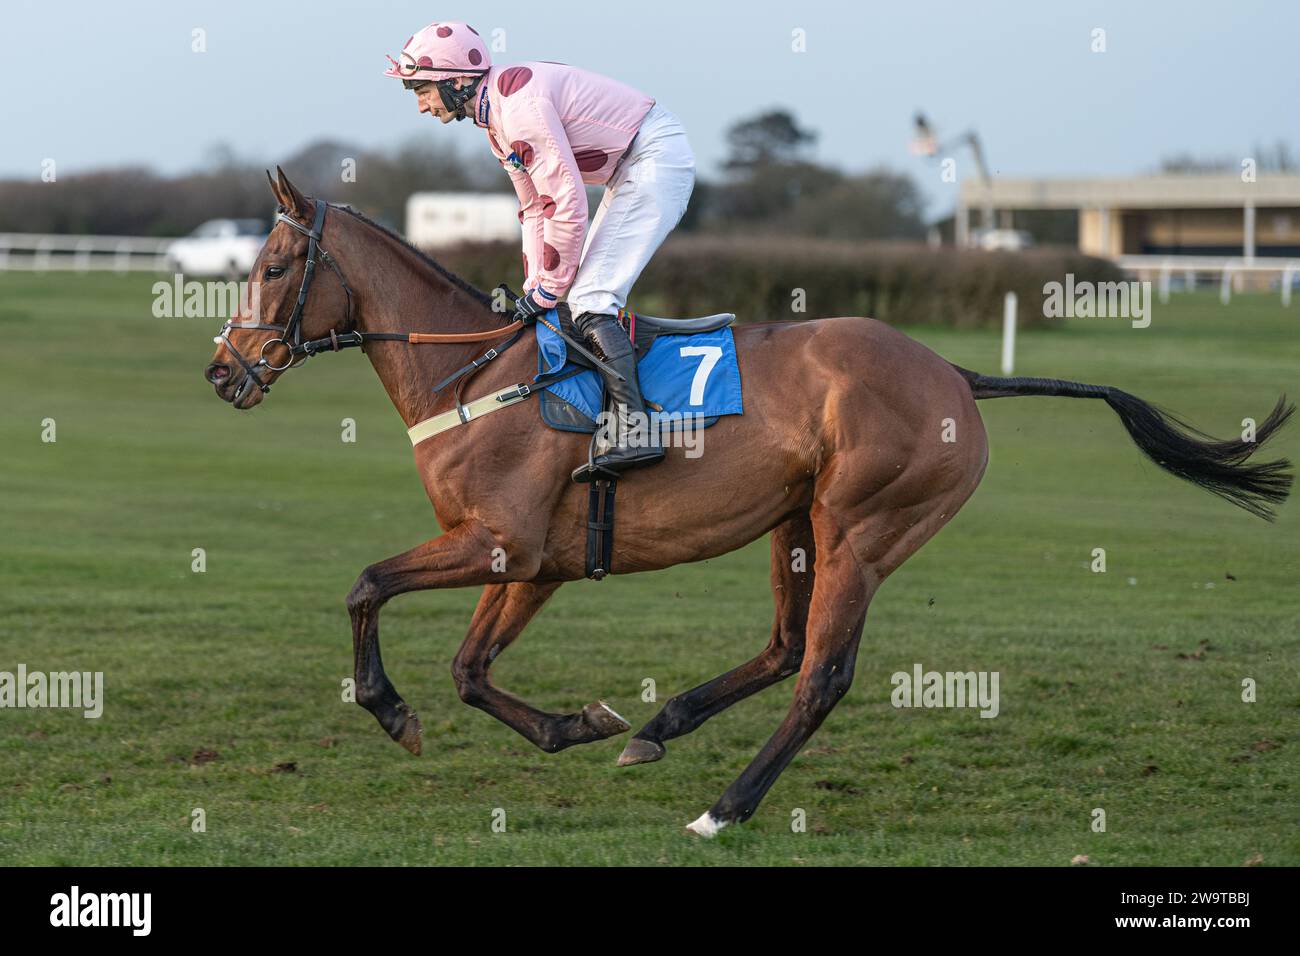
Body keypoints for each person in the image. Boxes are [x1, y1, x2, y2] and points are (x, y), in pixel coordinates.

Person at [385, 20, 695, 476]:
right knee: (574, 297)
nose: (421, 106)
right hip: (632, 164)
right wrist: (536, 286)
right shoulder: (494, 119)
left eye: (422, 91)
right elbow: (532, 209)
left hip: (653, 159)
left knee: (590, 298)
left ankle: (636, 429)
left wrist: (550, 289)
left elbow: (566, 202)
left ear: (455, 81)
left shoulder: (517, 110)